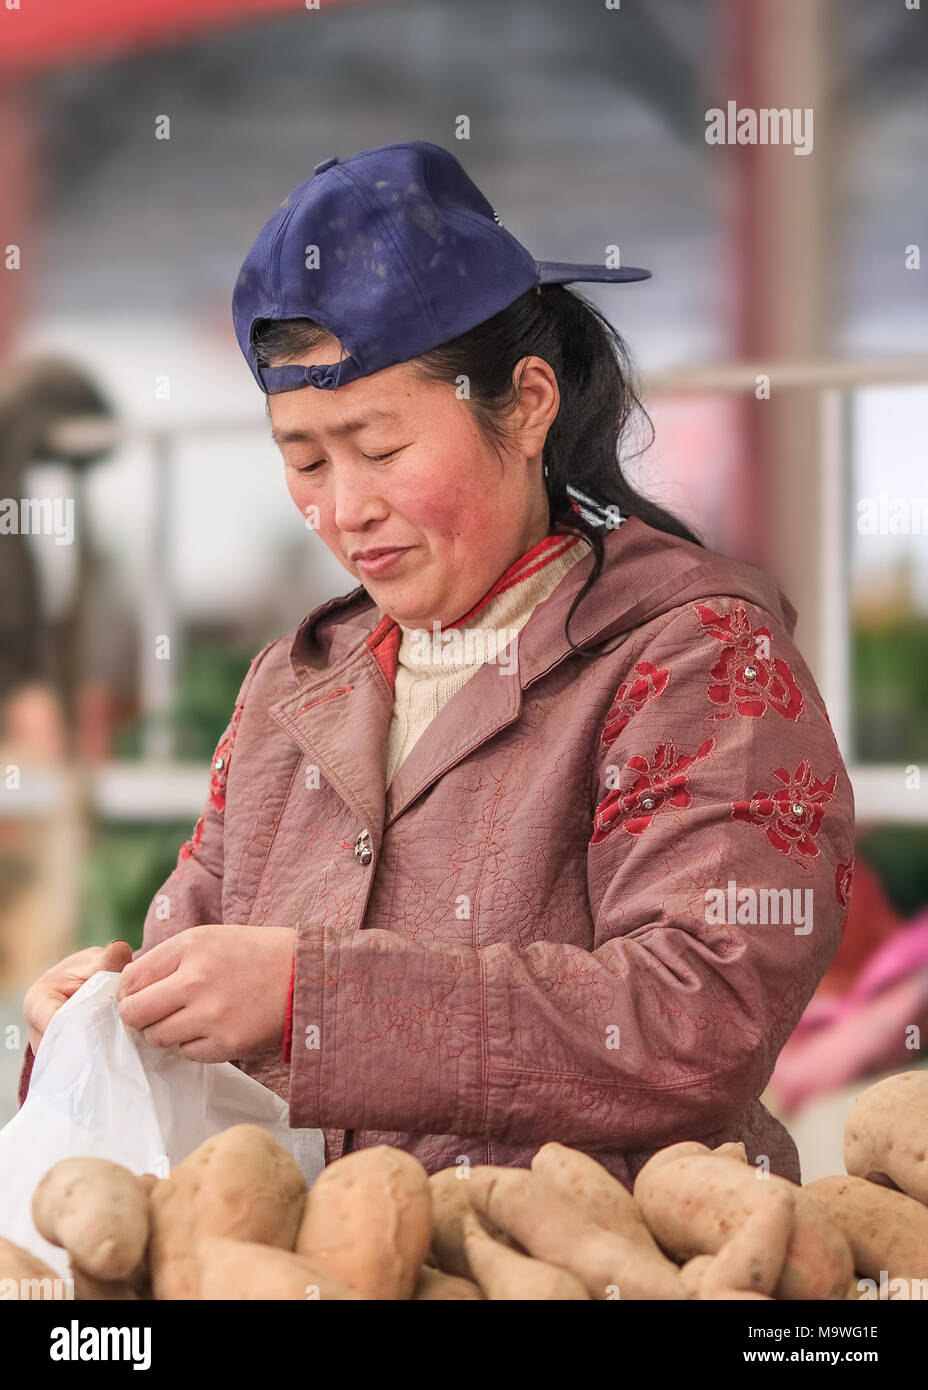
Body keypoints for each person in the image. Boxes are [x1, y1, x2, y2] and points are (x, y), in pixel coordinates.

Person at [20, 141, 855, 1189]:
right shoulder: (294, 685)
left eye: (380, 446)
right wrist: (106, 1015)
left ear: (529, 403)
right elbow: (190, 979)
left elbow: (700, 1017)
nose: (345, 507)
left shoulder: (697, 656)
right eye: (305, 458)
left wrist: (310, 1000)